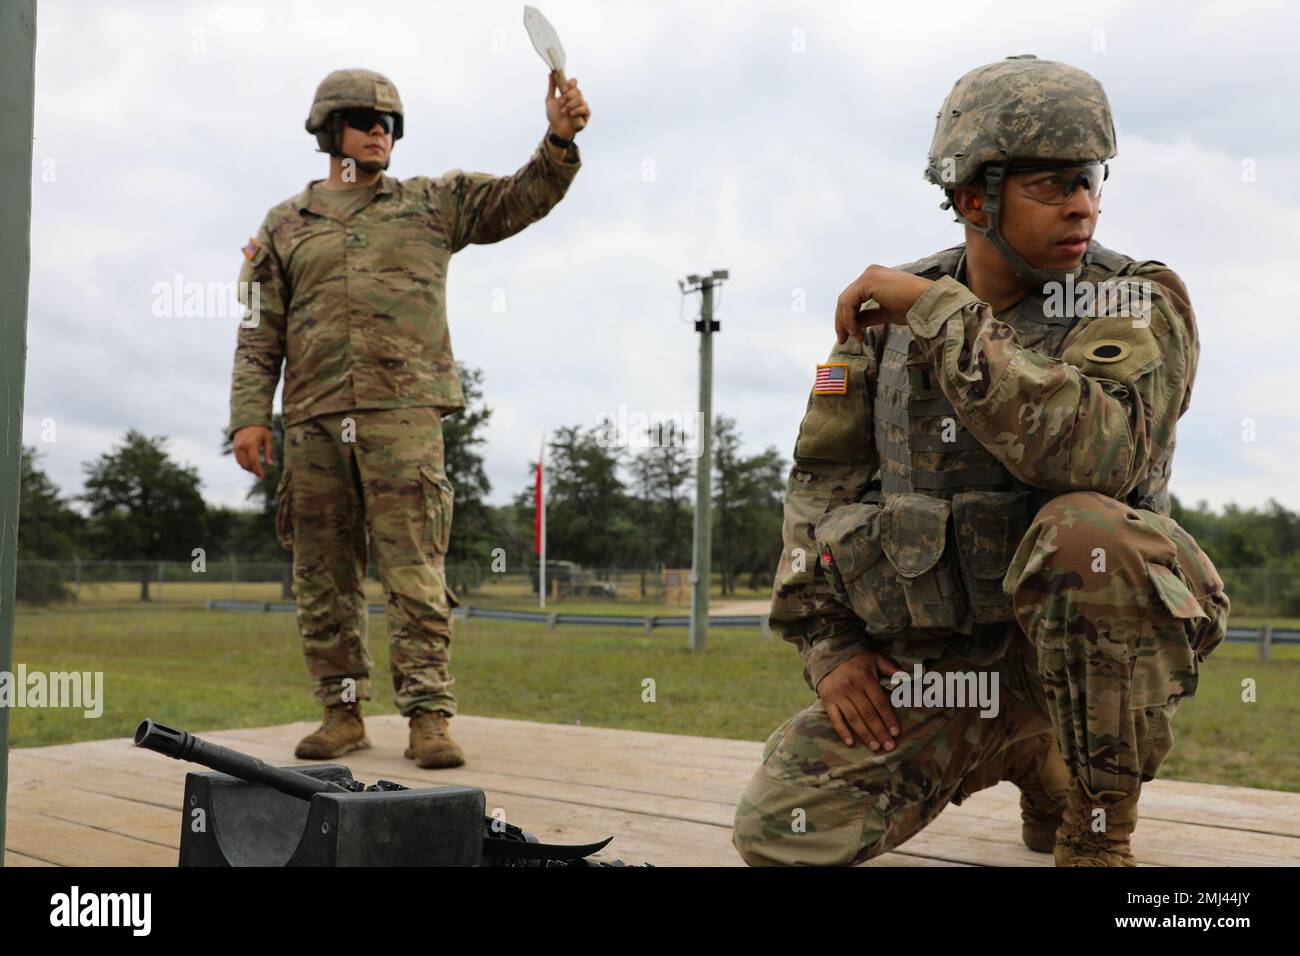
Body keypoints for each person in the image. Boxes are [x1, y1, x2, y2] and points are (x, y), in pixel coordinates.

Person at [732, 55, 1228, 866]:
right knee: (780, 834)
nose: (1082, 208)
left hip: (1075, 666)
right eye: (1052, 186)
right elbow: (818, 489)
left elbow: (1095, 450)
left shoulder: (1135, 300)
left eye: (1090, 181)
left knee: (1084, 532)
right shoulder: (883, 323)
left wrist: (941, 314)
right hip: (941, 666)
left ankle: (1094, 824)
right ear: (974, 199)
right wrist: (831, 649)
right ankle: (1028, 753)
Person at [227, 68, 590, 768]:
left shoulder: (433, 202)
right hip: (312, 421)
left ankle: (428, 717)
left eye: (392, 123)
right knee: (322, 575)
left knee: (414, 570)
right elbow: (256, 328)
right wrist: (249, 415)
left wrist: (558, 139)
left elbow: (521, 199)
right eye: (366, 119)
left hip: (403, 417)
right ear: (330, 130)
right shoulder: (282, 226)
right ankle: (341, 714)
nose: (381, 133)